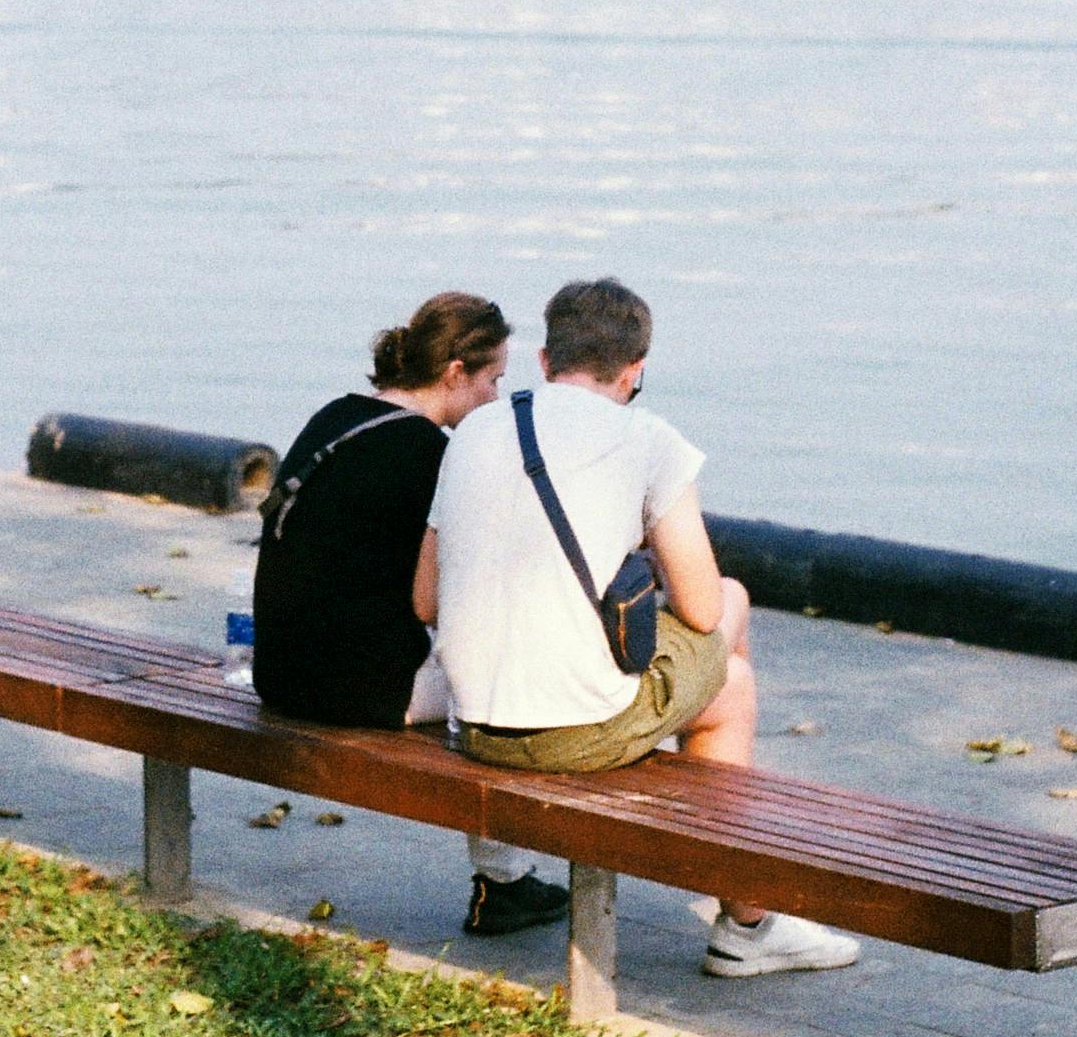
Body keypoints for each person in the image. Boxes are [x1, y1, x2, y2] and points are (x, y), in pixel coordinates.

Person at [418, 276, 861, 978]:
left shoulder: (475, 430)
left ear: (545, 359)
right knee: (732, 664)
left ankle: (730, 878)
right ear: (635, 370)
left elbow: (425, 599)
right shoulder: (650, 439)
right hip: (571, 735)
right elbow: (702, 610)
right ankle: (744, 919)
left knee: (716, 649)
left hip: (472, 724)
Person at [252, 291, 567, 936]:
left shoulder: (338, 416)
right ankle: (505, 883)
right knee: (509, 677)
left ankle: (509, 879)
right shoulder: (429, 453)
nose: (496, 398)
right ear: (454, 372)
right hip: (358, 689)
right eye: (492, 380)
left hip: (280, 672)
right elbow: (452, 597)